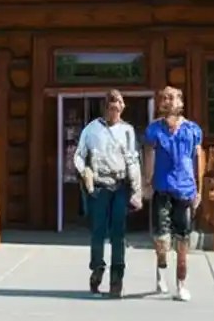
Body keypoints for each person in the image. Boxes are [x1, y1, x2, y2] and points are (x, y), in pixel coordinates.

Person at [73, 89, 143, 298]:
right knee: (98, 230)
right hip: (99, 185)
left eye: (118, 106)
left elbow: (133, 161)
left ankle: (117, 279)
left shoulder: (128, 131)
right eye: (111, 106)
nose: (114, 110)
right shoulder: (92, 129)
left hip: (120, 185)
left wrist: (137, 190)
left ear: (122, 107)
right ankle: (97, 268)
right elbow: (79, 155)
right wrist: (84, 170)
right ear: (105, 108)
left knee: (118, 233)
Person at [143, 86, 202, 301]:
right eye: (164, 98)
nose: (168, 101)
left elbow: (198, 158)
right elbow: (149, 155)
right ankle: (161, 269)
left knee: (183, 240)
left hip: (185, 190)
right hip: (162, 188)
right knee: (162, 239)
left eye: (172, 98)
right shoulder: (154, 129)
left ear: (180, 102)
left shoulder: (192, 129)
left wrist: (199, 189)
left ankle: (181, 284)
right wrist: (146, 182)